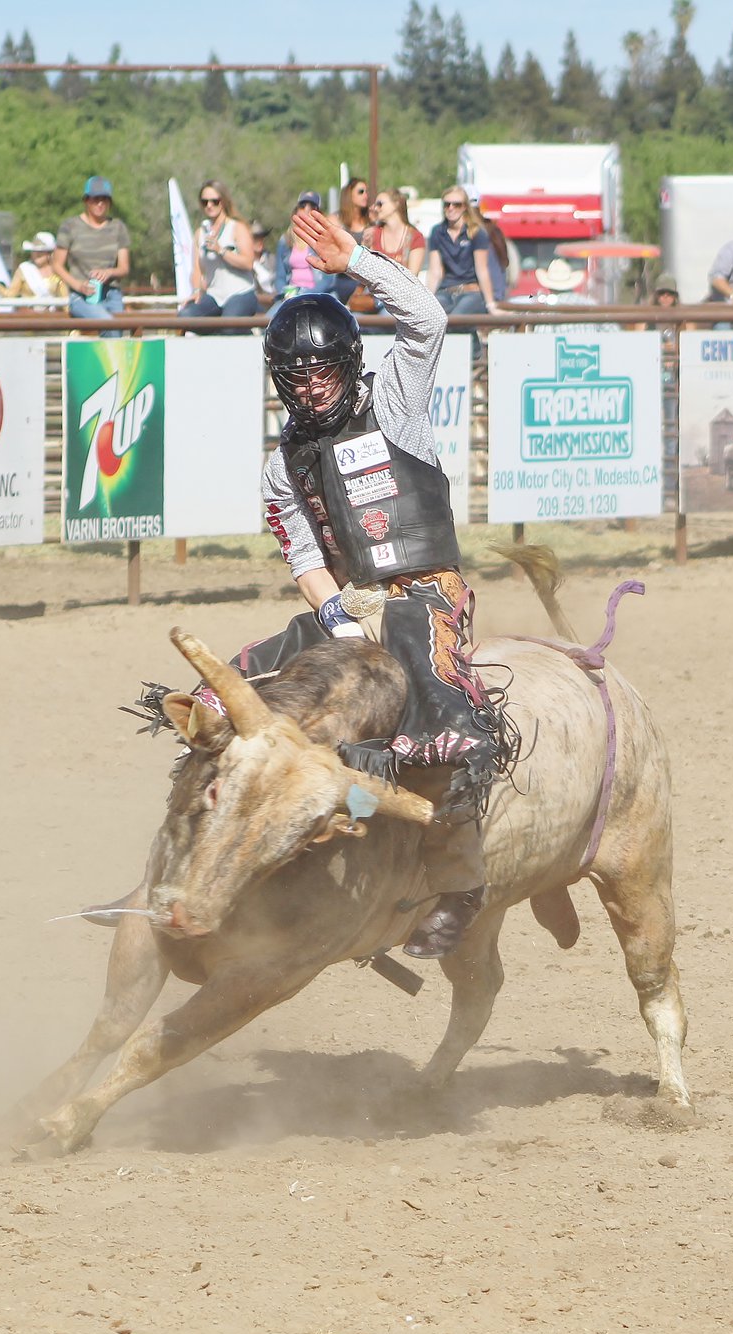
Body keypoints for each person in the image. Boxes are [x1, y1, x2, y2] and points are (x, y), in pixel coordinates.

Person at [252, 208, 506, 960]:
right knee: (263, 685)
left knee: (437, 715)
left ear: (349, 362)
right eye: (297, 377)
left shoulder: (393, 399)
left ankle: (459, 883)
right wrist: (333, 617)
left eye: (325, 371)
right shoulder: (281, 462)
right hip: (350, 606)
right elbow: (303, 552)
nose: (313, 388)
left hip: (426, 591)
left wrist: (355, 259)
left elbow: (426, 319)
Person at [52, 175, 130, 336]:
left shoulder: (118, 227)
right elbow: (57, 265)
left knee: (116, 333)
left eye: (104, 199)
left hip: (111, 293)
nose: (100, 204)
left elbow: (124, 268)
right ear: (86, 201)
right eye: (95, 199)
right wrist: (78, 285)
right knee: (108, 324)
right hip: (81, 295)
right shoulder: (70, 226)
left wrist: (109, 272)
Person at [178, 180, 256, 333]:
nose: (209, 205)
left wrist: (221, 250)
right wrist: (196, 291)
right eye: (204, 201)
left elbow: (248, 263)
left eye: (214, 201)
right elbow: (197, 270)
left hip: (240, 292)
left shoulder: (237, 227)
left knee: (229, 327)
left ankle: (248, 337)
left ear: (223, 201)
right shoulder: (200, 232)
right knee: (185, 317)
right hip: (214, 295)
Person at [425, 186, 499, 321]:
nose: (451, 208)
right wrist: (426, 301)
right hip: (446, 291)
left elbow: (482, 269)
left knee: (456, 319)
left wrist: (490, 304)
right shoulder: (437, 232)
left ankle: (473, 340)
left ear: (465, 207)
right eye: (447, 205)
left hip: (471, 291)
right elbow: (435, 272)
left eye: (456, 205)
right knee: (430, 317)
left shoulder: (476, 232)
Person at [273, 191, 336, 305]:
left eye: (312, 207)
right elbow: (279, 276)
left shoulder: (324, 239)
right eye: (302, 206)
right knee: (270, 320)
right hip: (290, 296)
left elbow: (328, 280)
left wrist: (306, 295)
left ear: (319, 214)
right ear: (296, 211)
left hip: (318, 297)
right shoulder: (285, 240)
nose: (307, 209)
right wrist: (285, 292)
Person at [0, 231, 68, 303]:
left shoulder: (58, 271)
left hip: (51, 317)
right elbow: (10, 294)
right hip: (28, 317)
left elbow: (65, 299)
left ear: (49, 253)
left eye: (41, 251)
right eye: (34, 251)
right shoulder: (25, 269)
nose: (37, 254)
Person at [362, 189, 426, 276]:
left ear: (396, 204)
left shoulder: (415, 237)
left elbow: (412, 278)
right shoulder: (374, 233)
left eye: (380, 204)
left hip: (402, 289)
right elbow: (363, 271)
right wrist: (365, 246)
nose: (375, 208)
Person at [334, 176, 371, 241]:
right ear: (349, 194)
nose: (365, 196)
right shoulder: (336, 220)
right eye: (361, 192)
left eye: (366, 192)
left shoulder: (371, 218)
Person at [250, 220, 277, 309]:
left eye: (261, 237)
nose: (259, 241)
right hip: (257, 306)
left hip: (276, 302)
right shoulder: (244, 265)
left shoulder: (272, 259)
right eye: (255, 238)